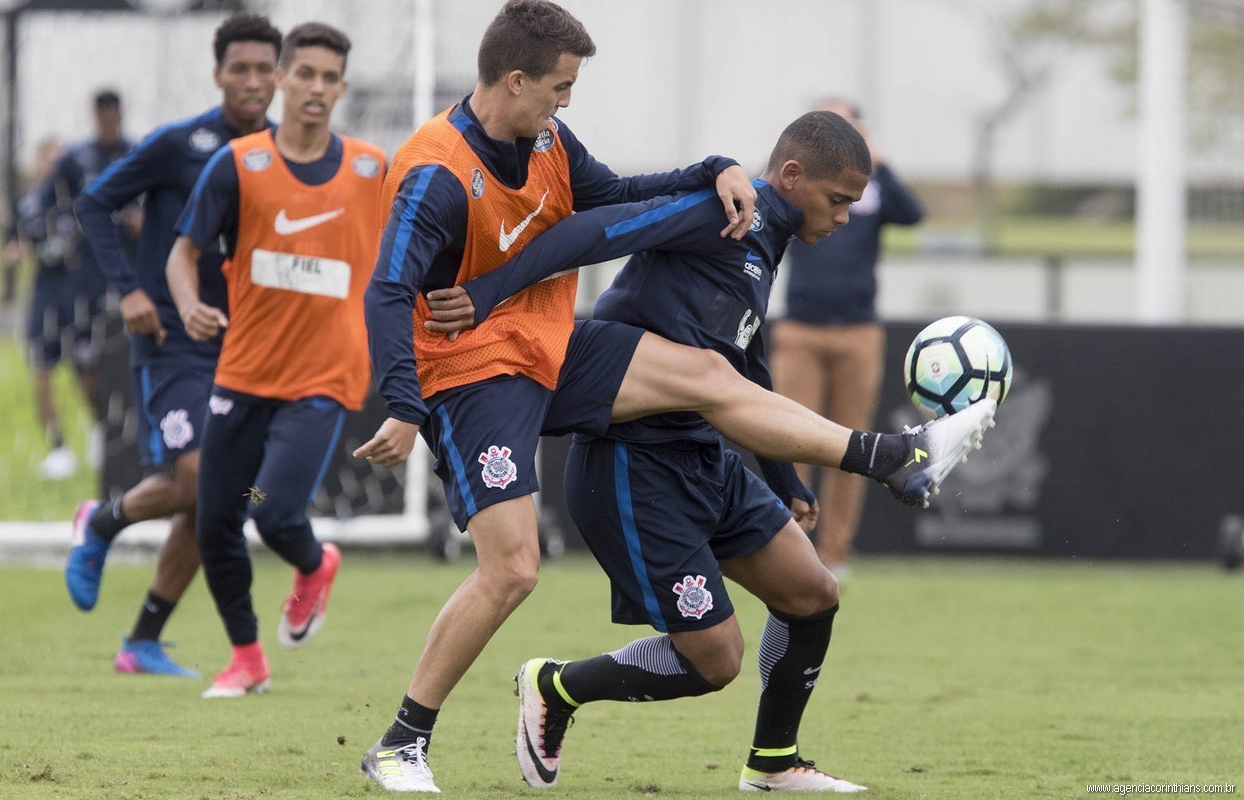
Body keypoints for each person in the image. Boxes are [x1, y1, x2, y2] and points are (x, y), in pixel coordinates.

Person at [355, 2, 995, 793]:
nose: (568, 100)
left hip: (553, 346)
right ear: (515, 79)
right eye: (561, 85)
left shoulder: (556, 139)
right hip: (471, 370)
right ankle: (399, 743)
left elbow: (616, 194)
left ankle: (771, 761)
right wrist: (404, 396)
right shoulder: (434, 171)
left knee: (795, 568)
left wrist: (709, 163)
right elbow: (393, 287)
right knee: (513, 570)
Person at [166, 21, 386, 699]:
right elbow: (184, 253)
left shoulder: (373, 169)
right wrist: (187, 304)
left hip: (324, 380)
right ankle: (247, 658)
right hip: (241, 373)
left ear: (341, 88)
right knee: (217, 518)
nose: (316, 89)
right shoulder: (239, 165)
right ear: (281, 80)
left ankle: (315, 564)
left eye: (330, 78)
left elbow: (419, 249)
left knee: (271, 508)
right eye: (305, 75)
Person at [63, 14, 282, 679]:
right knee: (198, 476)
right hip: (172, 338)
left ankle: (142, 642)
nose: (251, 80)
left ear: (278, 74)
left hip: (248, 349)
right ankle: (102, 522)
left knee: (217, 496)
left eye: (262, 68)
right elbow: (95, 204)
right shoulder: (180, 144)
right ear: (217, 74)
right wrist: (129, 289)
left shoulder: (285, 154)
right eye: (238, 68)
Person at [769, 98, 925, 577]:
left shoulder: (869, 187)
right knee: (793, 440)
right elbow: (768, 194)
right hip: (800, 329)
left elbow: (912, 214)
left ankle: (834, 554)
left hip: (859, 330)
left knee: (852, 446)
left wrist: (878, 159)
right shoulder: (801, 183)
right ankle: (786, 549)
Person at [28, 90, 136, 479]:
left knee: (112, 364)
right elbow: (37, 210)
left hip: (125, 281)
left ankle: (108, 433)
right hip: (78, 285)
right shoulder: (76, 160)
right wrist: (53, 237)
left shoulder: (136, 153)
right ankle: (64, 445)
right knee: (62, 363)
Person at [7, 136, 77, 480]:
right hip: (44, 297)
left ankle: (101, 435)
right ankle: (59, 447)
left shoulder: (78, 201)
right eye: (49, 159)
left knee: (89, 372)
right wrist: (14, 253)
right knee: (40, 373)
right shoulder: (26, 205)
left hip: (78, 295)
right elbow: (12, 243)